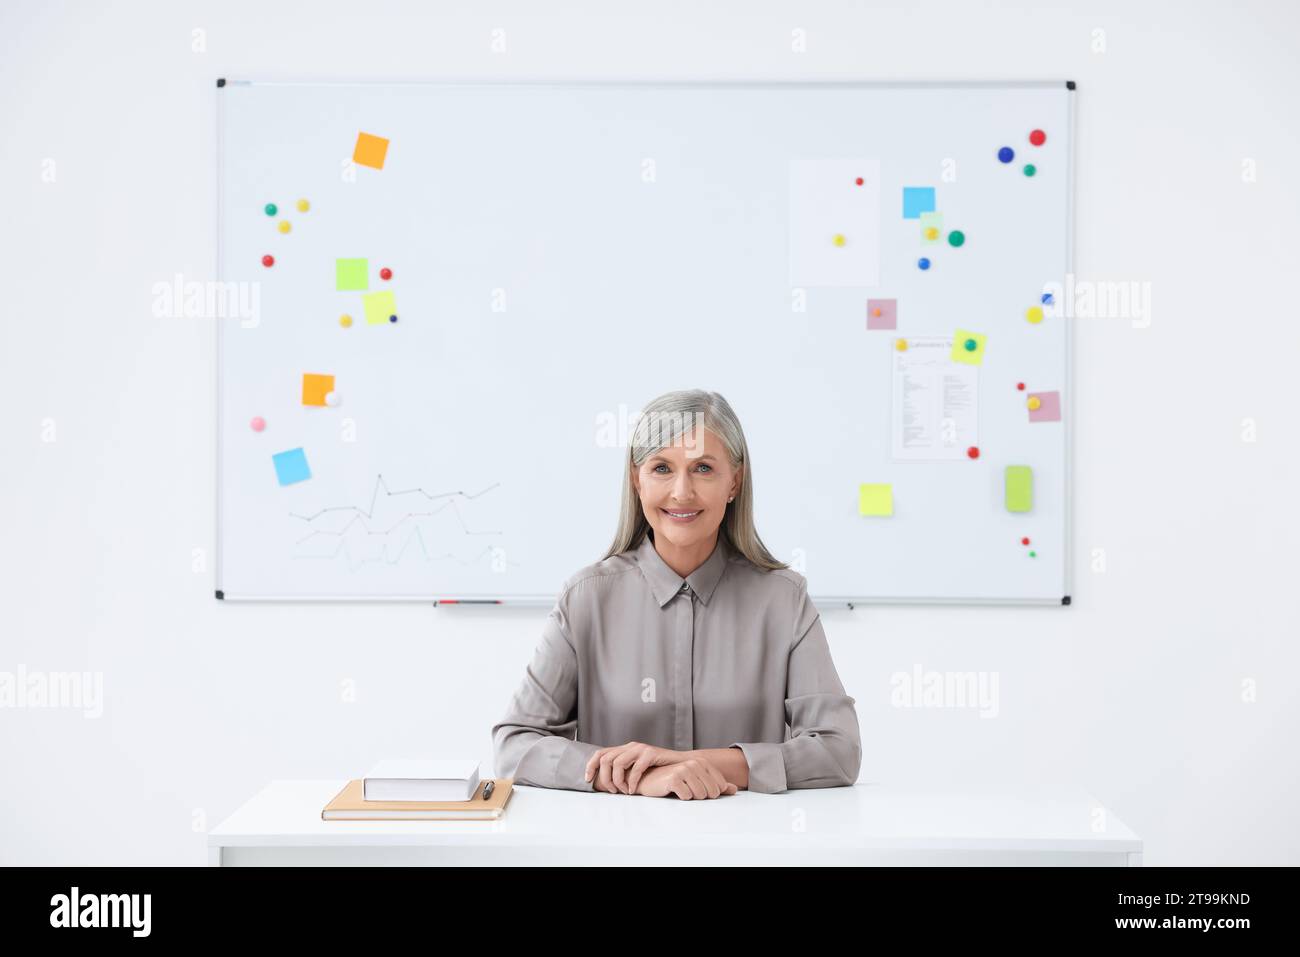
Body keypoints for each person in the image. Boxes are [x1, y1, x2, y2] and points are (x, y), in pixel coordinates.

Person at [491, 389, 861, 799]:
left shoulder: (784, 599)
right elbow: (515, 745)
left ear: (734, 481)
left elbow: (838, 749)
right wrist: (641, 776)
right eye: (662, 468)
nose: (681, 492)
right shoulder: (586, 598)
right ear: (637, 480)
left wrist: (693, 764)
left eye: (703, 468)